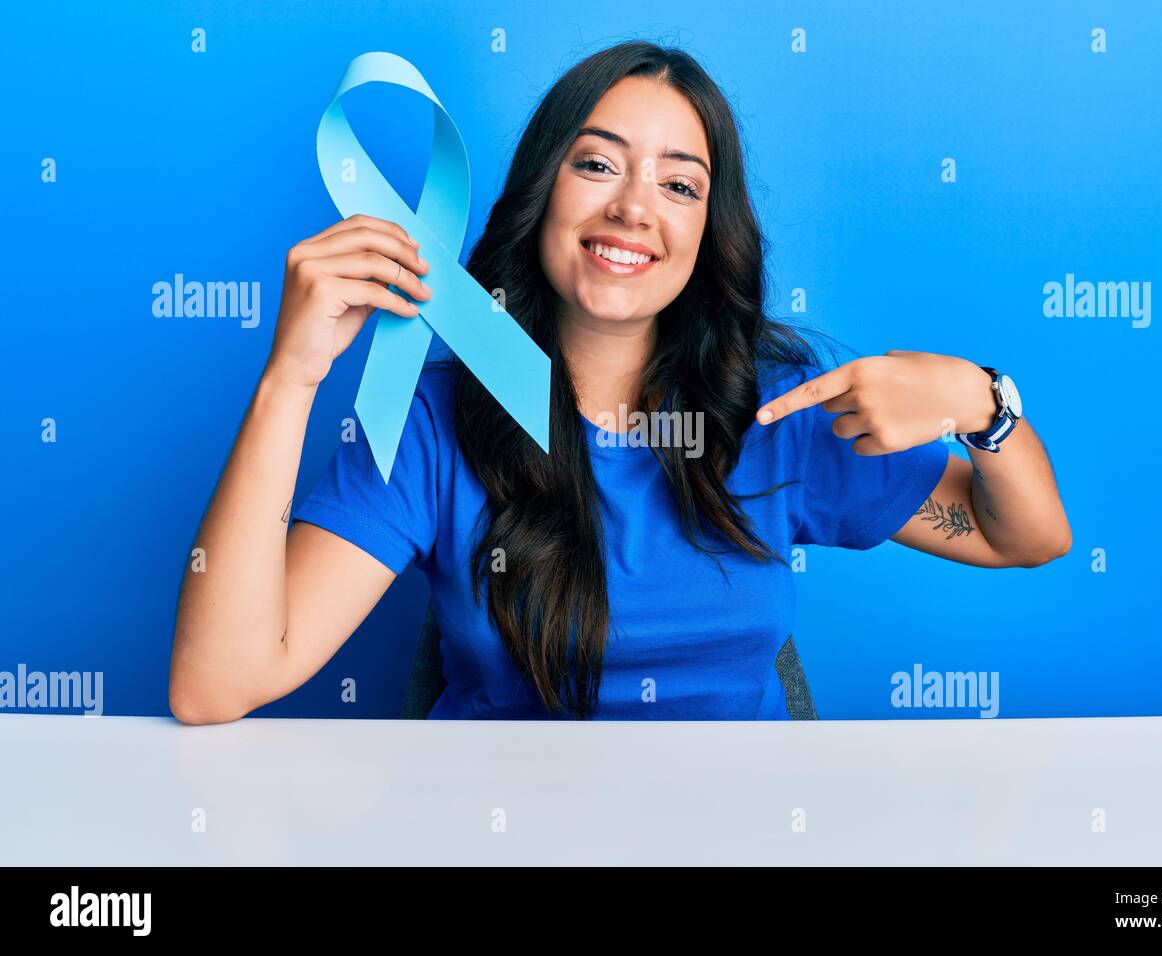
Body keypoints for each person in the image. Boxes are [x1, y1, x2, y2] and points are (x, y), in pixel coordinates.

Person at [168, 41, 1070, 724]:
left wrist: (983, 403)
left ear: (709, 229)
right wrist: (289, 379)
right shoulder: (434, 420)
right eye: (597, 164)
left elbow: (1022, 536)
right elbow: (219, 683)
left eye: (680, 185)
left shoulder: (780, 405)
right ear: (542, 193)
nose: (634, 207)